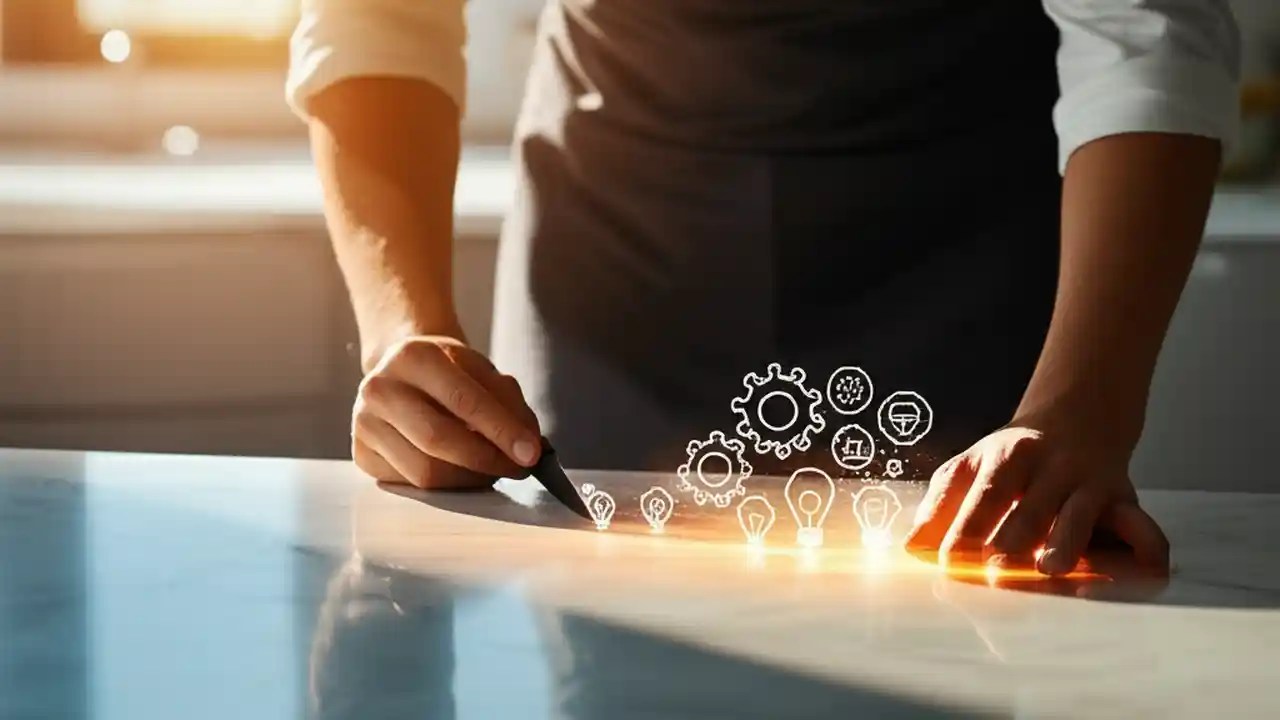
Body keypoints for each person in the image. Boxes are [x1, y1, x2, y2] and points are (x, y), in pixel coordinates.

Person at [287, 0, 1239, 576]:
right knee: (619, 650)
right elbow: (379, 16)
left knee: (973, 631)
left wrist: (1084, 406)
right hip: (616, 251)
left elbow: (1146, 29)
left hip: (963, 239)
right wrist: (404, 334)